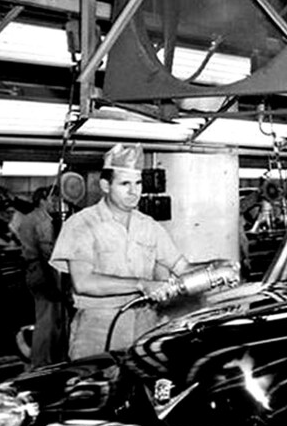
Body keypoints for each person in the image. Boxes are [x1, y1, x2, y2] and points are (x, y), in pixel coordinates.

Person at [50, 143, 191, 359]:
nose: (134, 191)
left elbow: (182, 267)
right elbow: (83, 282)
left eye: (138, 183)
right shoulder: (81, 224)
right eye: (125, 184)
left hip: (145, 323)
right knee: (97, 378)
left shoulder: (149, 225)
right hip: (99, 326)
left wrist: (217, 267)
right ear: (105, 185)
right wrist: (141, 284)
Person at [16, 185, 67, 367]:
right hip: (43, 271)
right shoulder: (42, 220)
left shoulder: (27, 218)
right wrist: (55, 280)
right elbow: (47, 253)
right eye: (52, 199)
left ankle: (43, 360)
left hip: (32, 269)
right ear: (42, 200)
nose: (54, 203)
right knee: (48, 321)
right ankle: (41, 362)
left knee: (44, 317)